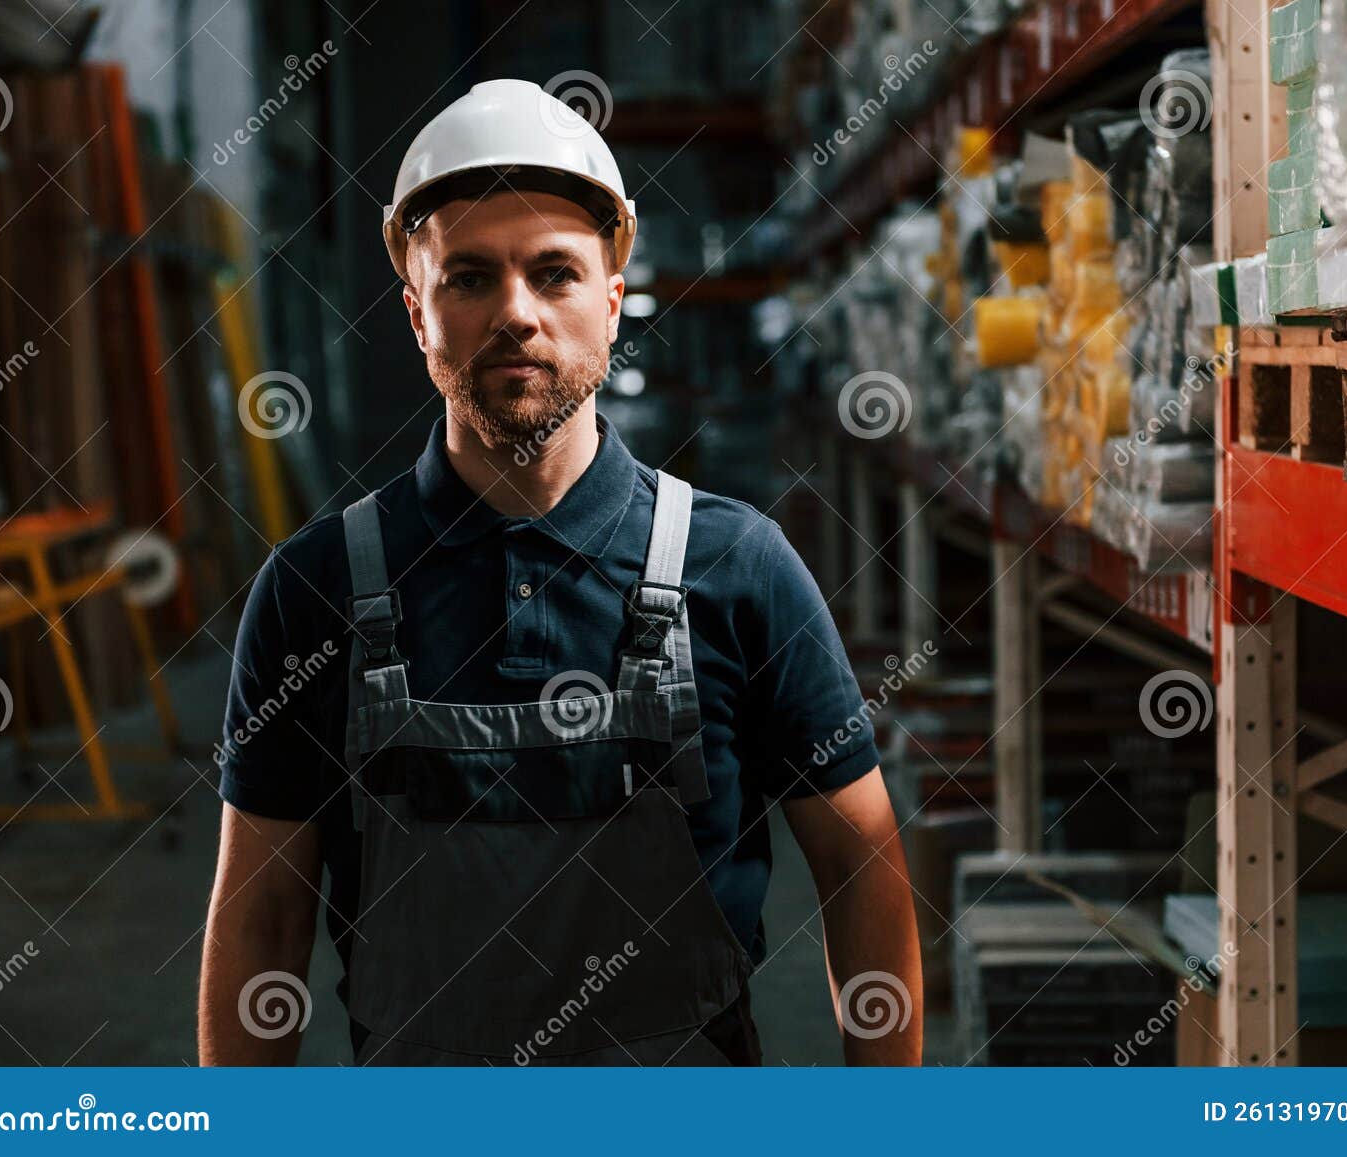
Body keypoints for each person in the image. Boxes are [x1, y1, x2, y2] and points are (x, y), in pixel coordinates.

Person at [197, 78, 921, 1066]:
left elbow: (861, 863)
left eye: (554, 273)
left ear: (613, 303)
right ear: (417, 314)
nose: (517, 313)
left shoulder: (737, 567)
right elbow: (263, 917)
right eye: (469, 278)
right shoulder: (313, 591)